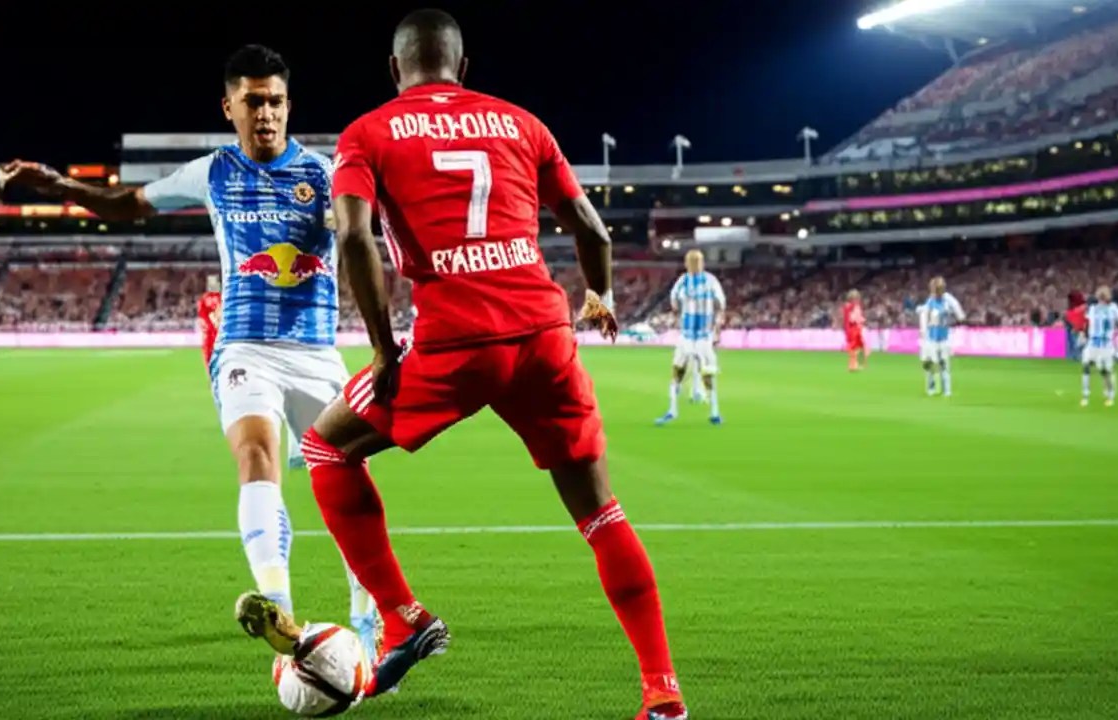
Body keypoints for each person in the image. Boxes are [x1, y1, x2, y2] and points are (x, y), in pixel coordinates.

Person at [264, 10, 686, 718]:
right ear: (462, 67)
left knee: (326, 450)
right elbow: (590, 227)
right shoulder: (522, 122)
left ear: (395, 69)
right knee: (601, 513)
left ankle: (404, 617)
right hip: (545, 333)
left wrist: (380, 345)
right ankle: (662, 692)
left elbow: (356, 240)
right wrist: (600, 298)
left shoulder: (368, 132)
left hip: (456, 341)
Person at [0, 44, 378, 662]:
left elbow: (363, 235)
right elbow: (127, 205)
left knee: (345, 478)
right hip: (244, 346)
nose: (266, 114)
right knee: (257, 454)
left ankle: (366, 615)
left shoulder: (325, 175)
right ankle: (278, 608)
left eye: (276, 101)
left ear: (289, 105)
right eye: (253, 102)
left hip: (315, 351)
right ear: (228, 106)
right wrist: (56, 183)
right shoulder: (212, 173)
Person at [198, 275, 305, 469]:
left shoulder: (212, 300)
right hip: (235, 345)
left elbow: (210, 321)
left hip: (225, 346)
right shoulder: (220, 299)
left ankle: (245, 420)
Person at [656, 249, 726, 426]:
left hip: (694, 336)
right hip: (697, 336)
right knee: (698, 373)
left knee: (686, 373)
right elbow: (720, 305)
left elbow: (674, 305)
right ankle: (713, 411)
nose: (695, 264)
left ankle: (676, 411)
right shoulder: (708, 281)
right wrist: (715, 326)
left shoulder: (685, 282)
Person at [918, 276, 965, 397]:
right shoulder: (930, 300)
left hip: (943, 337)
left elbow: (960, 315)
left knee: (944, 363)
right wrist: (923, 330)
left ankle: (946, 390)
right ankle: (931, 388)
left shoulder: (948, 300)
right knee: (930, 364)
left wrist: (952, 319)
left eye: (936, 289)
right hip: (931, 337)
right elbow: (925, 314)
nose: (934, 292)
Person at [1081, 285, 1118, 407]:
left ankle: (1110, 393)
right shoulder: (1094, 309)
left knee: (1104, 369)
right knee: (1086, 365)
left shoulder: (1112, 308)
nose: (1101, 299)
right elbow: (1087, 323)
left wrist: (1114, 329)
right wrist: (1084, 335)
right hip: (1094, 342)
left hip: (1105, 343)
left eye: (1102, 296)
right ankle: (1085, 394)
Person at [842, 289, 868, 372]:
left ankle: (856, 364)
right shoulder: (850, 306)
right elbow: (851, 319)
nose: (856, 299)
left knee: (857, 347)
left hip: (855, 328)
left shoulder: (852, 306)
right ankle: (854, 365)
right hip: (852, 329)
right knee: (855, 347)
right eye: (855, 298)